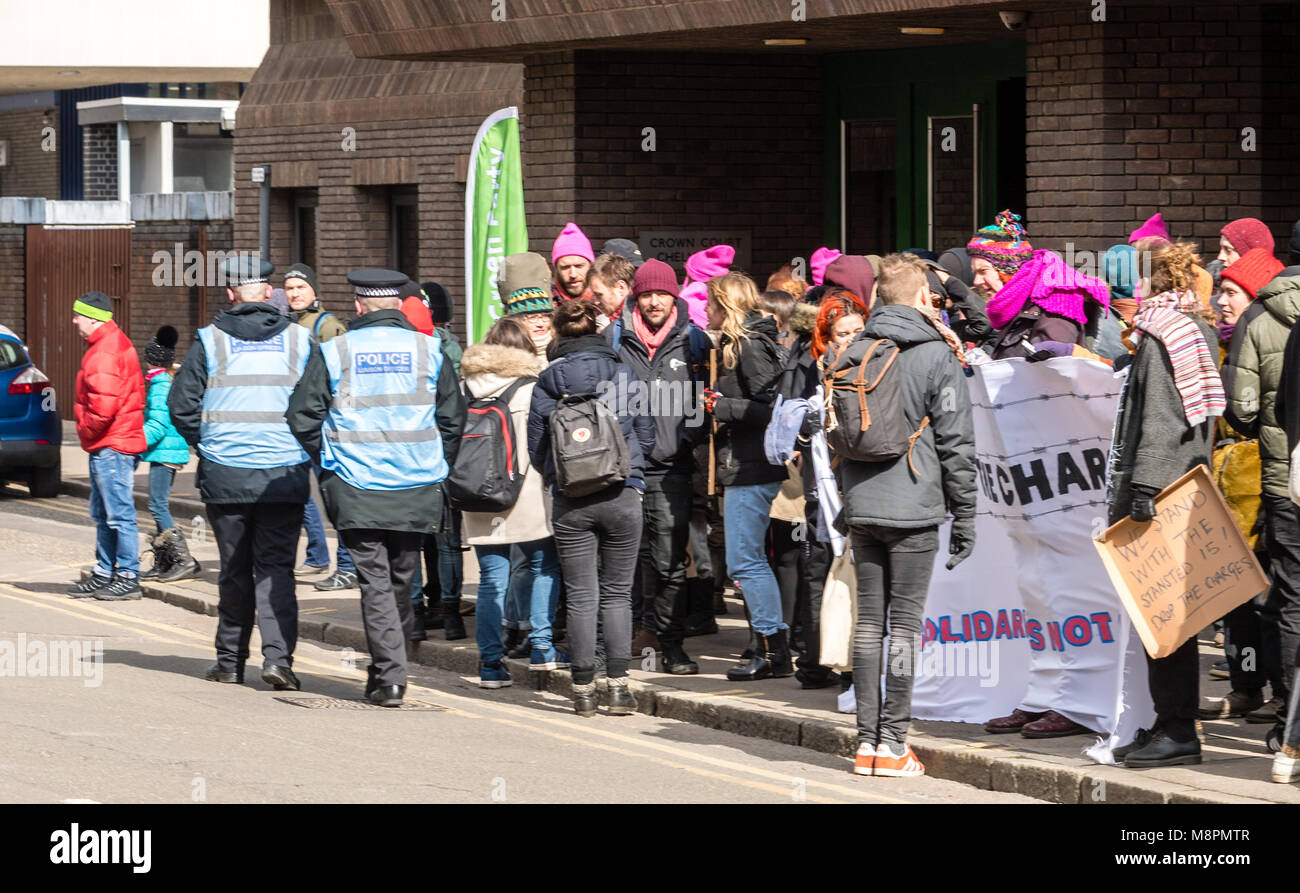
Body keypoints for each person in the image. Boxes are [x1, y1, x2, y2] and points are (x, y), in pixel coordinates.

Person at [287, 269, 465, 706]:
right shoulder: (431, 349)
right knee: (401, 581)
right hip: (417, 484)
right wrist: (434, 462)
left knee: (376, 583)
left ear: (359, 305)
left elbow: (301, 416)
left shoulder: (335, 349)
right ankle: (389, 669)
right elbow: (453, 421)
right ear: (400, 306)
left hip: (355, 483)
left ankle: (389, 676)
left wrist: (328, 460)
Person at [836, 254, 976, 778]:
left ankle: (867, 745)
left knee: (869, 624)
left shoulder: (855, 347)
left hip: (863, 504)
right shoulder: (936, 354)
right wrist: (966, 516)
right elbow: (957, 442)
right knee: (904, 629)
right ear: (922, 298)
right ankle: (894, 743)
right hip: (914, 507)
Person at [1105, 241, 1224, 768]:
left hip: (1160, 492)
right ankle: (1168, 721)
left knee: (1164, 615)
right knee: (1174, 615)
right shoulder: (1193, 328)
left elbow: (1159, 418)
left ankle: (1177, 728)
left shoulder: (1159, 335)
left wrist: (1143, 490)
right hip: (1189, 483)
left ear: (1149, 282)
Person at [168, 257, 312, 688]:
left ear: (230, 294)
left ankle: (230, 662)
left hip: (226, 473)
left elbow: (180, 406)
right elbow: (318, 405)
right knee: (276, 569)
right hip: (283, 475)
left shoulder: (209, 341)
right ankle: (278, 661)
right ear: (270, 293)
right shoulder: (301, 341)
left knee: (234, 568)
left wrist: (207, 443)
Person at [529, 297, 655, 716]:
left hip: (571, 500)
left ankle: (582, 691)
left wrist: (557, 475)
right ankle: (619, 688)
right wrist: (633, 469)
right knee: (618, 594)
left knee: (582, 596)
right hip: (622, 493)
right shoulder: (626, 374)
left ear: (559, 333)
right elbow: (648, 435)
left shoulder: (548, 380)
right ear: (600, 332)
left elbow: (537, 446)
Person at [611, 258, 711, 675]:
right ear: (636, 295)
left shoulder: (694, 340)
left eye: (661, 294)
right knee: (624, 561)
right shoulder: (613, 337)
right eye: (646, 293)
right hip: (624, 469)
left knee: (669, 562)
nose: (654, 302)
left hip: (672, 470)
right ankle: (619, 644)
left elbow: (704, 401)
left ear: (674, 296)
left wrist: (687, 440)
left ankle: (671, 646)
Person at [461, 313, 561, 687]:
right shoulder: (532, 387)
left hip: (478, 493)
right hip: (528, 493)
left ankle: (490, 667)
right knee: (543, 567)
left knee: (490, 581)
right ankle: (542, 649)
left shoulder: (464, 387)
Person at [1220, 246, 1295, 745]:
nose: (1224, 301)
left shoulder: (1259, 319)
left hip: (1279, 480)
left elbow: (1242, 408)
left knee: (1287, 598)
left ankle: (1289, 717)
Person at [700, 271, 789, 681]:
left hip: (753, 467)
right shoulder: (742, 343)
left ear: (728, 305)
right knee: (748, 562)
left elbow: (771, 409)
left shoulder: (751, 345)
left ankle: (772, 648)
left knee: (745, 562)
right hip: (746, 466)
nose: (706, 309)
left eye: (712, 303)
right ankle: (768, 645)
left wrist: (724, 407)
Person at [65, 290, 147, 601]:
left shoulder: (104, 353)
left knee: (118, 514)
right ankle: (105, 571)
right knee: (104, 513)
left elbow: (102, 408)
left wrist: (84, 430)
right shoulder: (108, 344)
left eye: (78, 315)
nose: (74, 320)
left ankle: (127, 575)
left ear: (93, 318)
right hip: (114, 441)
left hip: (112, 444)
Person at [282, 263, 358, 588]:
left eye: (300, 287)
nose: (295, 293)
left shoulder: (328, 327)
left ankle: (345, 564)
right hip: (300, 424)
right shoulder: (289, 325)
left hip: (325, 426)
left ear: (314, 290)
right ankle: (317, 556)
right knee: (299, 493)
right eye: (289, 288)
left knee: (332, 495)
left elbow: (346, 378)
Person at [139, 325, 200, 583]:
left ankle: (184, 560)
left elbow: (158, 424)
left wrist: (135, 440)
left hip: (166, 453)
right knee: (157, 505)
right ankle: (164, 562)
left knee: (158, 505)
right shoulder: (163, 381)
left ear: (152, 360)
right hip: (166, 452)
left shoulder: (161, 385)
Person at [588, 252, 636, 328]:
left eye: (599, 295)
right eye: (594, 295)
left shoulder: (636, 323)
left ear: (621, 287)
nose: (595, 302)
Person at [552, 221, 596, 302]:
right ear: (557, 269)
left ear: (591, 266)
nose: (573, 274)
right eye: (565, 267)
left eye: (579, 266)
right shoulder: (546, 304)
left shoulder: (605, 303)